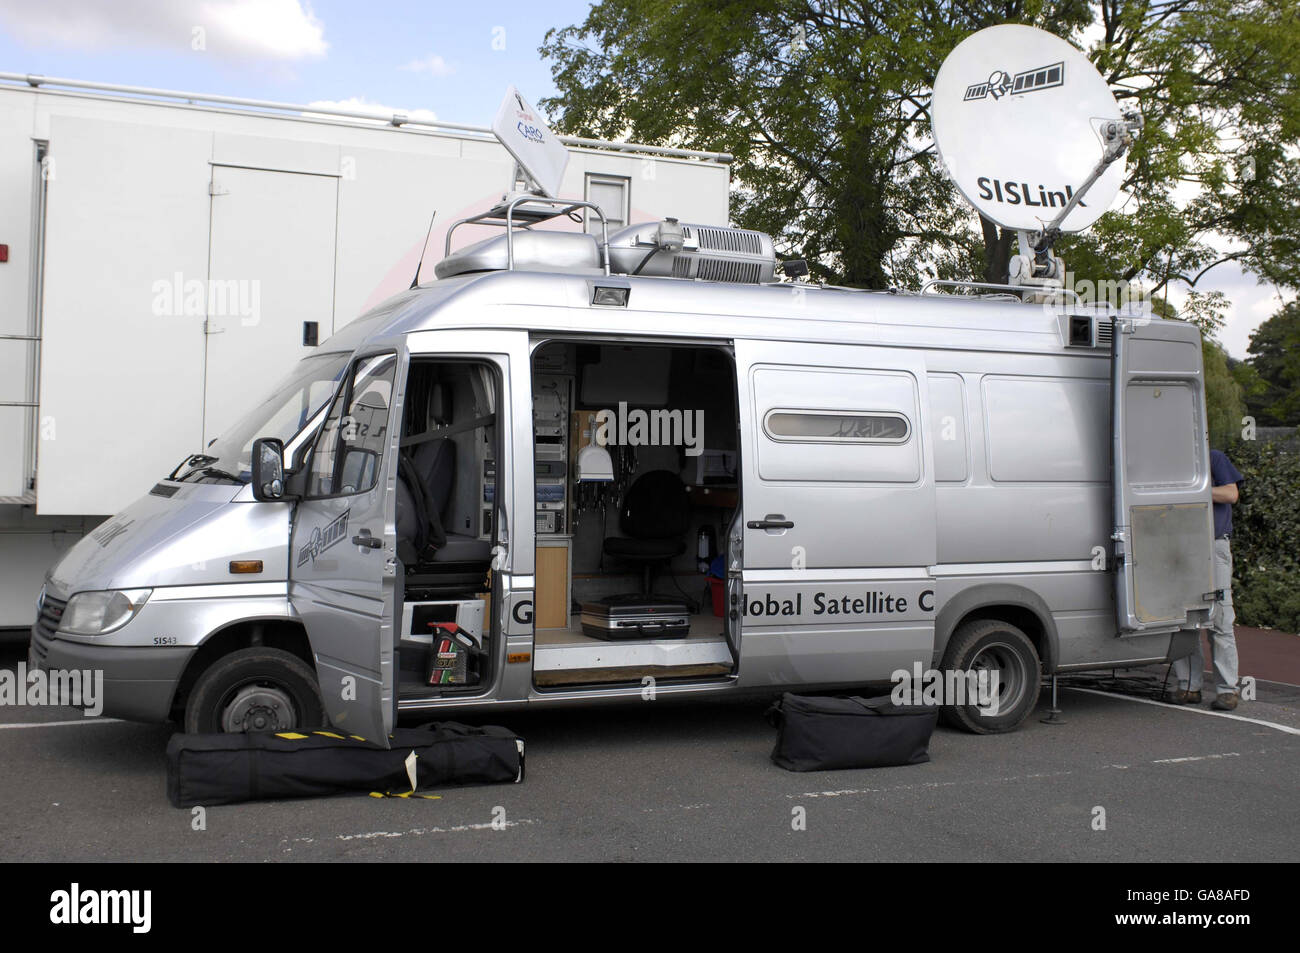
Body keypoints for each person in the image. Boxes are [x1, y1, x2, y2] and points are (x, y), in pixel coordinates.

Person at [1167, 449, 1244, 710]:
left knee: (1220, 618)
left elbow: (1231, 494)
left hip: (1213, 545)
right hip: (1181, 546)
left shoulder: (1214, 457)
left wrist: (1195, 490)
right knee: (1183, 619)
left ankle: (1227, 689)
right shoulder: (1172, 460)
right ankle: (1189, 686)